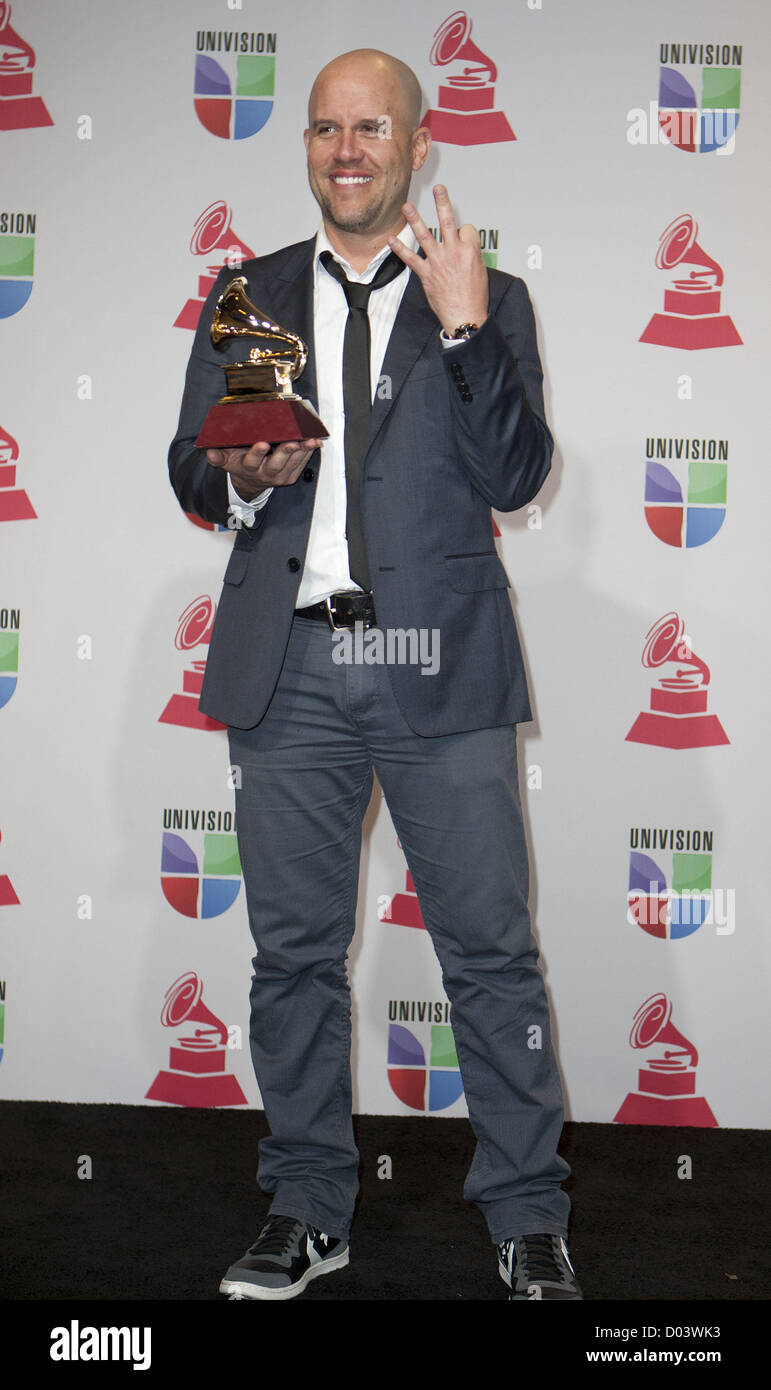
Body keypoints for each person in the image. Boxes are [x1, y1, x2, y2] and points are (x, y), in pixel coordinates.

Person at [168, 48, 581, 1302]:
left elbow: (518, 474)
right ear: (307, 147)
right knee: (292, 957)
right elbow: (191, 469)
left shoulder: (488, 295)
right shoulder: (249, 294)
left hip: (436, 662)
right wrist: (242, 474)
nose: (348, 150)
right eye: (325, 130)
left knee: (491, 957)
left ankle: (525, 1214)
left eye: (373, 128)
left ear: (415, 144)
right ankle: (307, 1205)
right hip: (291, 662)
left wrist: (461, 325)